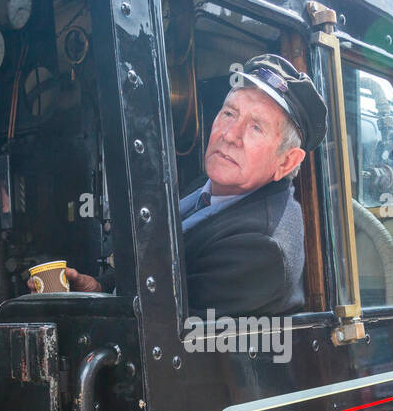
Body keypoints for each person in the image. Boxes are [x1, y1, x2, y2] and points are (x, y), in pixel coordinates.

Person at [47, 54, 327, 316]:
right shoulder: (206, 185)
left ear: (287, 162)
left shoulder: (263, 248)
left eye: (256, 127)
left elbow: (159, 326)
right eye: (229, 114)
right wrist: (99, 289)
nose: (229, 135)